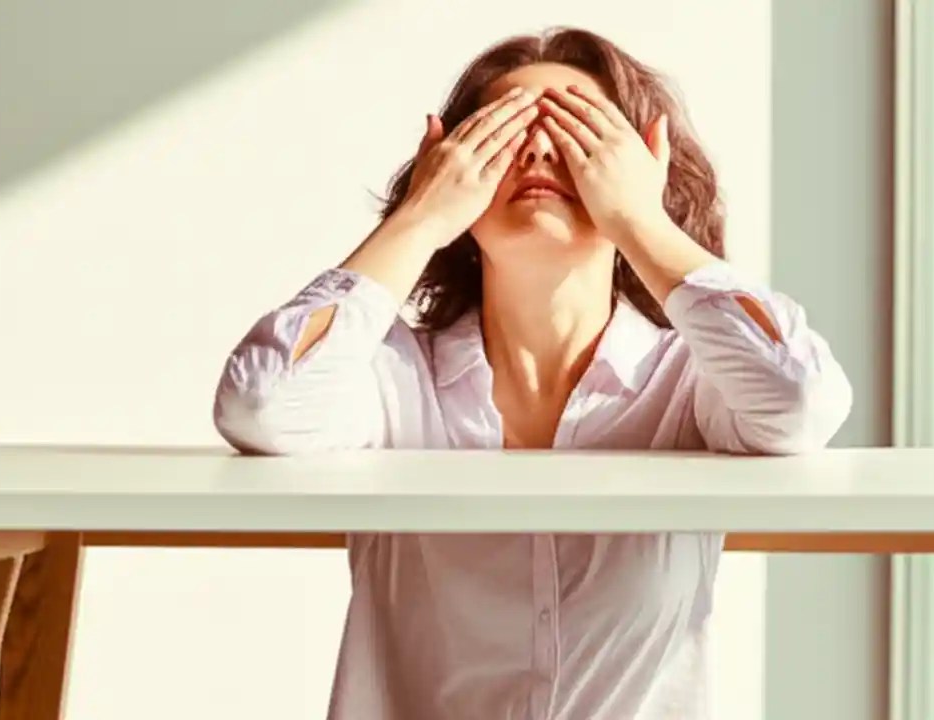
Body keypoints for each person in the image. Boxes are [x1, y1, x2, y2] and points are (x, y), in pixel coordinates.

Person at [213, 26, 852, 720]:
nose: (544, 149)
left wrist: (643, 219)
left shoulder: (689, 384)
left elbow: (801, 400)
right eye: (508, 130)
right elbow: (261, 404)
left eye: (582, 132)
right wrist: (419, 218)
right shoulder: (395, 379)